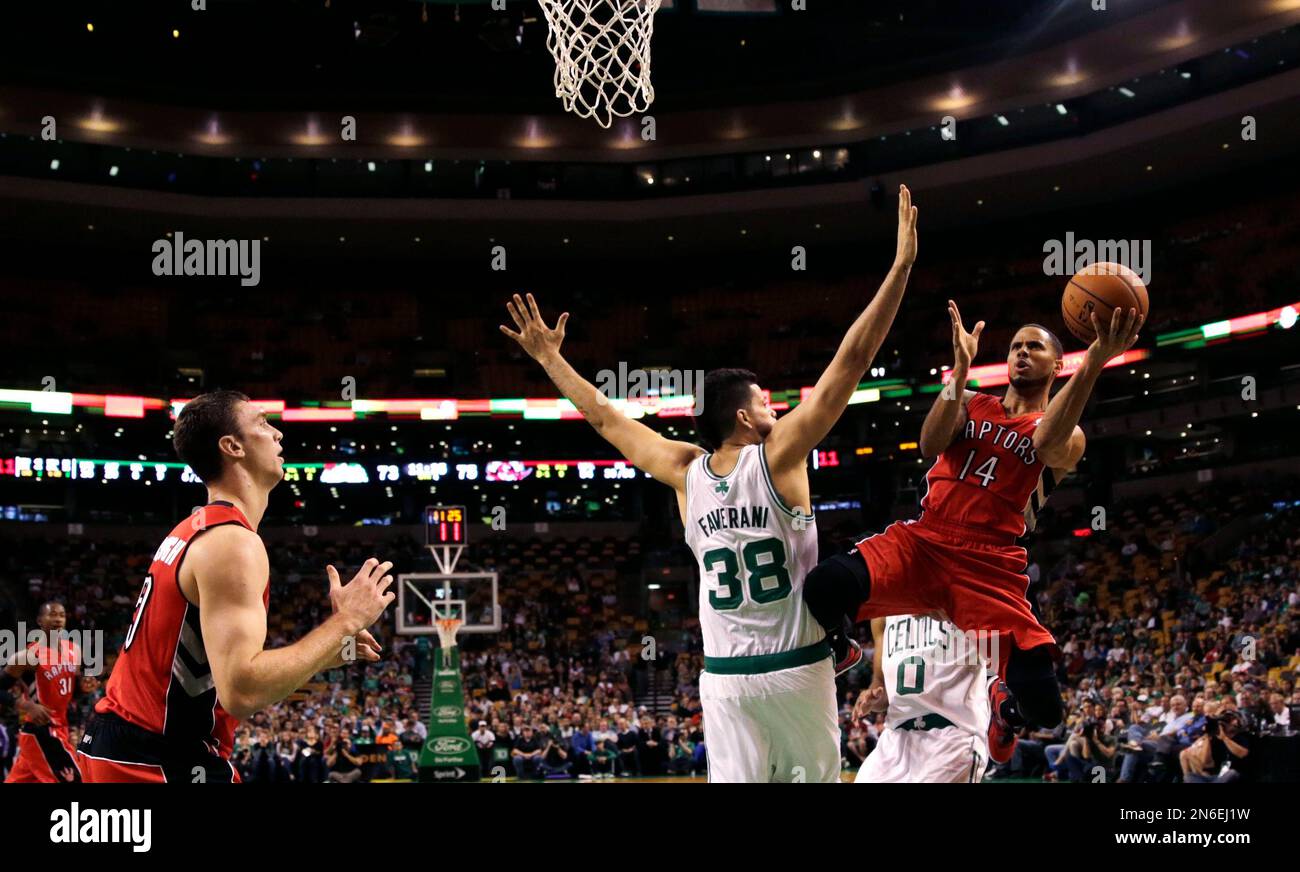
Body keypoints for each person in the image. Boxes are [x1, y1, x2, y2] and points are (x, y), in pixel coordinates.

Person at [501, 186, 919, 782]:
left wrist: (549, 360)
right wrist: (900, 268)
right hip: (796, 668)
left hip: (724, 679)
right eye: (766, 400)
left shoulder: (683, 472)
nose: (775, 407)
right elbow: (848, 366)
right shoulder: (778, 458)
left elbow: (603, 417)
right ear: (746, 417)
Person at [803, 302, 1145, 766]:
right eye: (1016, 347)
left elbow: (1045, 443)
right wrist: (959, 373)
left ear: (1057, 364)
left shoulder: (1068, 433)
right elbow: (929, 444)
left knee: (1045, 707)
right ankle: (841, 647)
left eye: (1035, 347)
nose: (1022, 353)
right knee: (824, 586)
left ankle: (1003, 711)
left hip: (990, 562)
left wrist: (1096, 359)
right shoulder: (971, 402)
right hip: (926, 541)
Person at [75, 390, 396, 782]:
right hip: (154, 757)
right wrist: (345, 623)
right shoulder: (232, 542)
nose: (277, 434)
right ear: (231, 446)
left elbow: (208, 667)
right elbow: (241, 691)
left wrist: (329, 651)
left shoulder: (196, 529)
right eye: (261, 423)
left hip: (133, 747)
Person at [853, 614, 991, 783]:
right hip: (896, 738)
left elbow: (995, 655)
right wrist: (872, 698)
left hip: (952, 735)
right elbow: (880, 684)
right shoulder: (882, 613)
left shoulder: (963, 593)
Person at [2, 602, 96, 783]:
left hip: (61, 728)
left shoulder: (74, 651)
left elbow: (69, 691)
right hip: (41, 731)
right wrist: (26, 705)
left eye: (62, 615)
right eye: (52, 614)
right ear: (39, 620)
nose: (58, 619)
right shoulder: (27, 655)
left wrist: (83, 687)